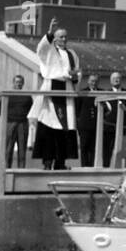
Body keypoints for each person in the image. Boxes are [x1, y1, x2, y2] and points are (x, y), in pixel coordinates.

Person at [32, 19, 80, 171]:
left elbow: (78, 71)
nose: (64, 39)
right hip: (52, 92)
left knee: (65, 130)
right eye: (60, 37)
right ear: (55, 38)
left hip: (67, 92)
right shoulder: (50, 50)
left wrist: (75, 76)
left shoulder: (72, 54)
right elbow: (40, 49)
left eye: (65, 37)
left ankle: (60, 163)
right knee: (48, 129)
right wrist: (50, 33)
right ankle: (47, 163)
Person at [97, 72, 126, 169]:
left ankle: (121, 168)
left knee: (122, 149)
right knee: (107, 149)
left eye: (118, 78)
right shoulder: (106, 94)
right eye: (114, 78)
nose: (116, 80)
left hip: (123, 127)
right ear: (110, 81)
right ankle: (106, 168)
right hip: (109, 127)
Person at [4, 73, 34, 168]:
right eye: (17, 82)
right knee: (8, 149)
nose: (18, 84)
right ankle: (7, 169)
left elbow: (31, 109)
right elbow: (1, 109)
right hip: (10, 123)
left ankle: (21, 170)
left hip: (23, 124)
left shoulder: (27, 96)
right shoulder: (7, 95)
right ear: (13, 83)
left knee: (22, 150)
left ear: (23, 84)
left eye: (20, 82)